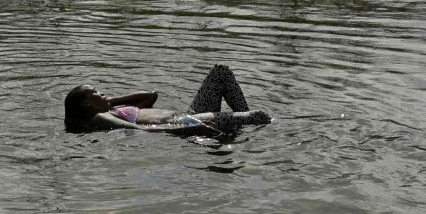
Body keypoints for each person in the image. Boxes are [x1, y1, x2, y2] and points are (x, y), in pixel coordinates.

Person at [63, 65, 272, 134]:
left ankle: (244, 124)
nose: (102, 93)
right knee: (260, 116)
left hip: (189, 116)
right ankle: (247, 121)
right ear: (85, 103)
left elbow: (150, 96)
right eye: (96, 93)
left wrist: (111, 100)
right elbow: (137, 130)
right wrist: (192, 126)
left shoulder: (112, 109)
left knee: (220, 72)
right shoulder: (100, 118)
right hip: (183, 122)